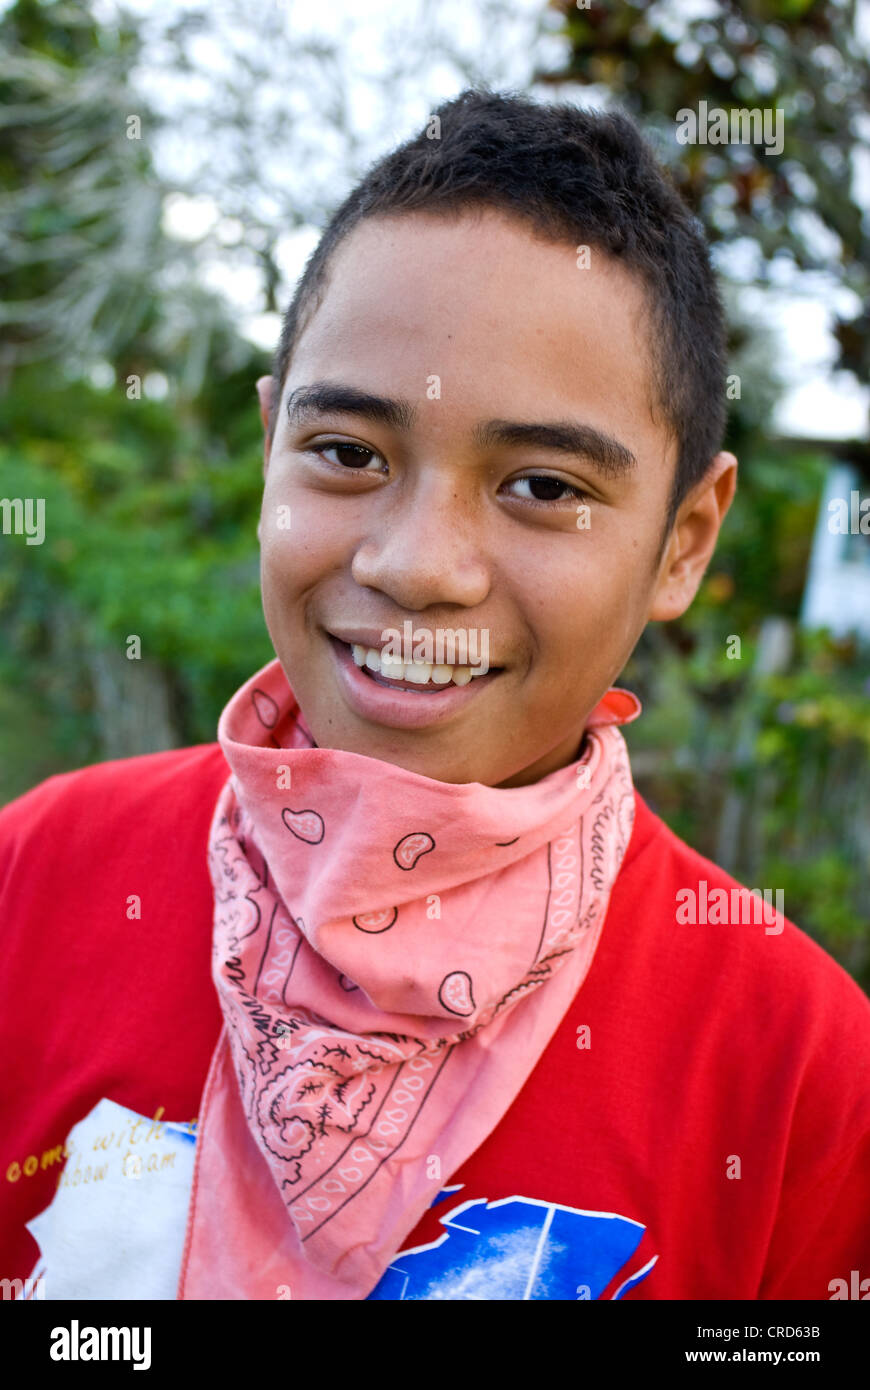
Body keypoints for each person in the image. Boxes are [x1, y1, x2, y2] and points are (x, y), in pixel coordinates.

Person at [1, 89, 868, 1303]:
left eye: (543, 485)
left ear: (684, 541)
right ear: (269, 453)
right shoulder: (37, 881)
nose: (414, 564)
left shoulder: (798, 1074)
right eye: (349, 455)